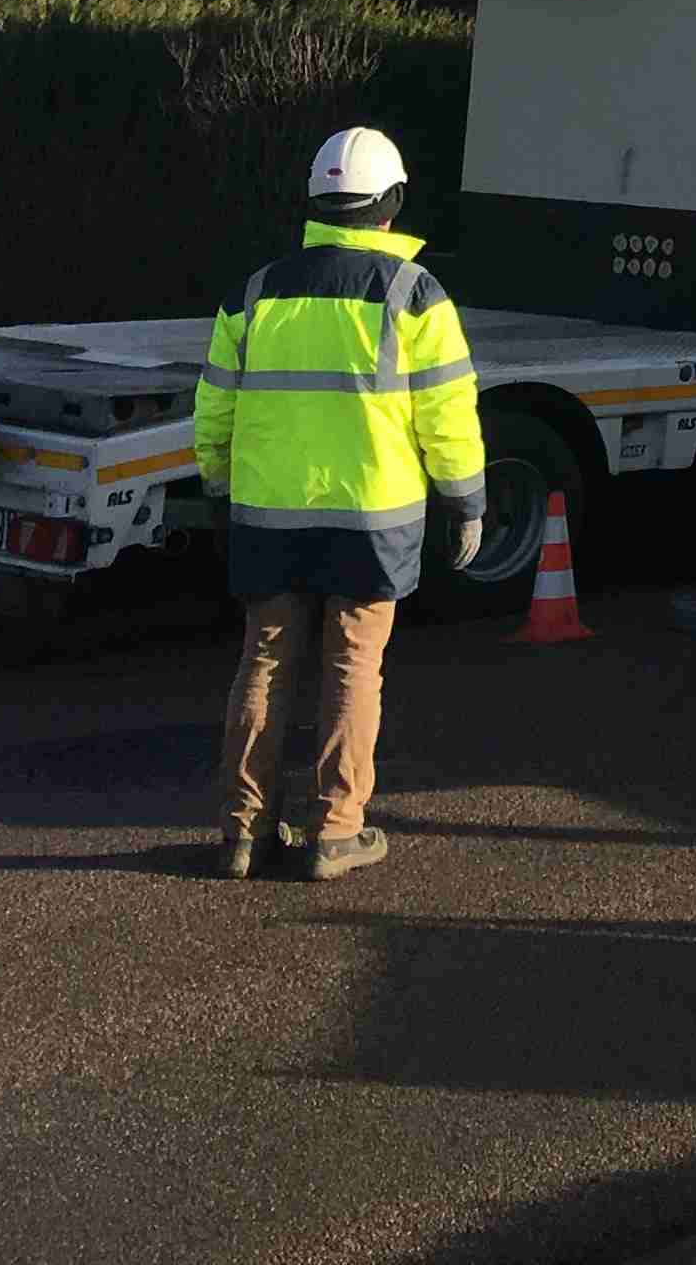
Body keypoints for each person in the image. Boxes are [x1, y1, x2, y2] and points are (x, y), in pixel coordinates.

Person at [197, 127, 485, 882]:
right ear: (391, 204)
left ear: (317, 202)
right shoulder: (414, 295)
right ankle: (336, 833)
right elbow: (447, 416)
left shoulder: (254, 292)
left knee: (264, 663)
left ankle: (242, 833)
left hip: (267, 514)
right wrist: (467, 501)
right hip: (372, 518)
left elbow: (215, 409)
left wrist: (218, 483)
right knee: (354, 670)